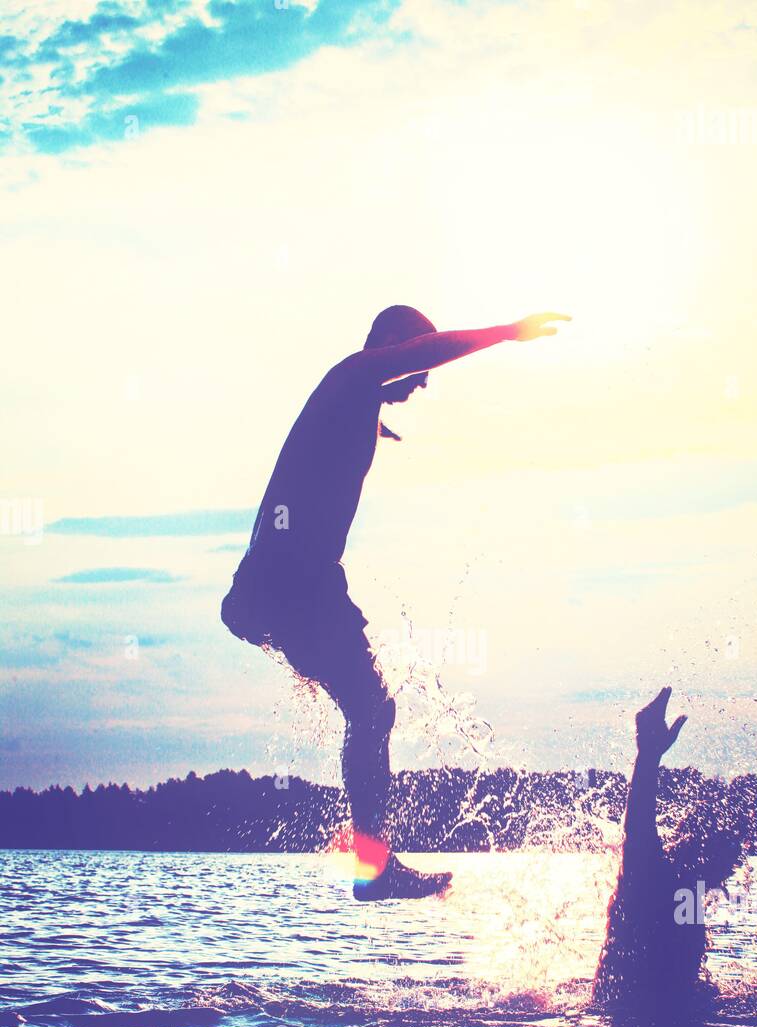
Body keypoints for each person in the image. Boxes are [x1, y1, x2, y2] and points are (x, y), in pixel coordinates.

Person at [222, 305, 569, 900]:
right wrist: (509, 333)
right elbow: (416, 359)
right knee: (372, 713)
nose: (426, 378)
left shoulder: (353, 399)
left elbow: (324, 441)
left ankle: (367, 848)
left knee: (368, 712)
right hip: (294, 584)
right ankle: (371, 864)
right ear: (390, 345)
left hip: (284, 588)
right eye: (418, 359)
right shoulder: (354, 375)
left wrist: (374, 426)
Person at [591, 687, 741, 1019]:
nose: (727, 877)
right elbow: (639, 825)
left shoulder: (689, 897)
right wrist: (648, 757)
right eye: (723, 864)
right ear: (698, 851)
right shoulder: (651, 879)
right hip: (624, 1026)